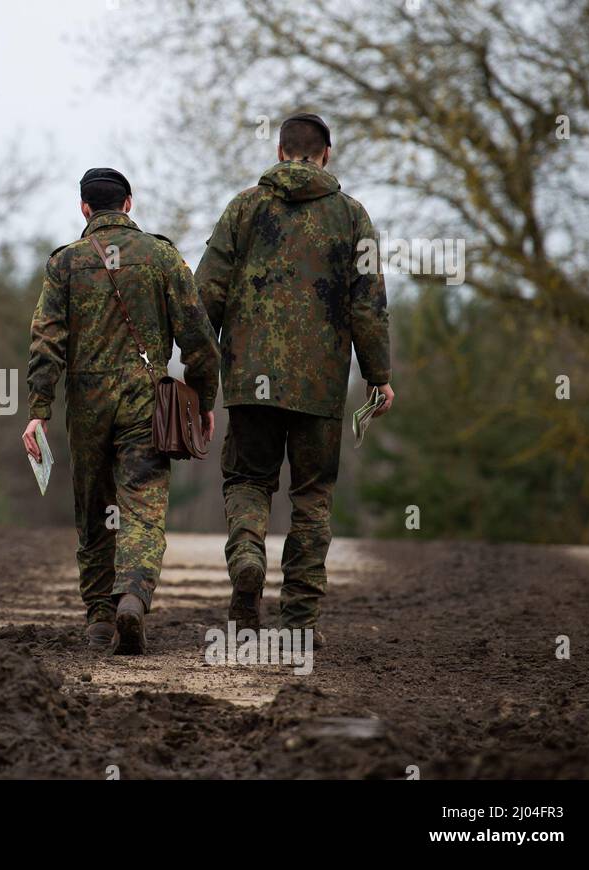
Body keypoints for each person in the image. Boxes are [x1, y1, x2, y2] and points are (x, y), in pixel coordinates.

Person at [194, 113, 394, 644]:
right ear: (325, 154)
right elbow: (368, 304)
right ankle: (300, 622)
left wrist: (197, 371)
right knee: (312, 497)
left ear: (281, 151)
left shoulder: (244, 208)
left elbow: (205, 294)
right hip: (320, 388)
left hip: (248, 380)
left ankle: (246, 563)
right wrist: (379, 376)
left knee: (248, 481)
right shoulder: (352, 217)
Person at [25, 168, 220, 654]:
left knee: (94, 511)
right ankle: (133, 595)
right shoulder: (161, 257)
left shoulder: (65, 264)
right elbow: (199, 338)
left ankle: (97, 619)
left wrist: (39, 409)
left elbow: (47, 340)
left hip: (87, 403)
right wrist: (203, 399)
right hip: (145, 400)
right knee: (142, 508)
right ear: (129, 204)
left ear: (85, 209)